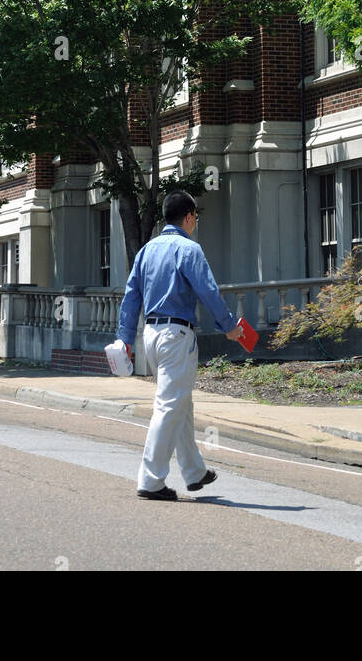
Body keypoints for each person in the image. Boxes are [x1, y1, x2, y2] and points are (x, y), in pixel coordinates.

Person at [116, 189, 243, 500]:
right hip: (177, 335)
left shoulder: (146, 251)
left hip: (151, 336)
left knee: (180, 404)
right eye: (195, 217)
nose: (195, 223)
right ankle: (151, 480)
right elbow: (209, 292)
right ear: (188, 217)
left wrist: (124, 337)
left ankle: (194, 471)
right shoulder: (189, 250)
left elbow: (132, 297)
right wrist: (229, 326)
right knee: (169, 405)